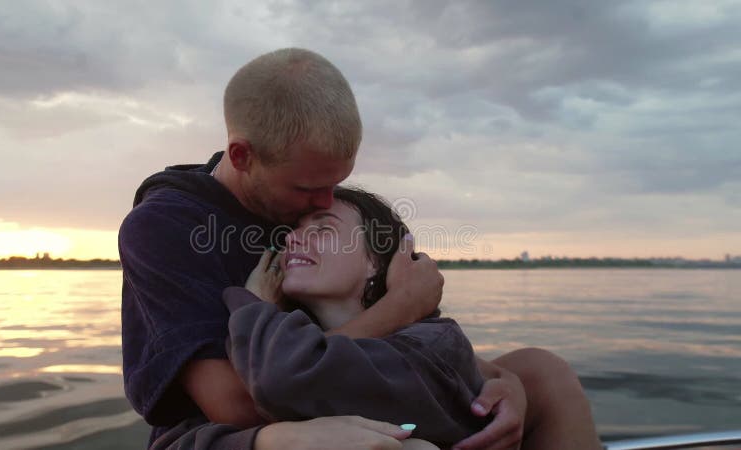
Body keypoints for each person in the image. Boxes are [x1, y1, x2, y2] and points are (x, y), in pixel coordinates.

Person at [120, 47, 600, 450]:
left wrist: (505, 385)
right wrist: (400, 306)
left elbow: (430, 349)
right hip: (242, 428)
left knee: (541, 373)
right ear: (243, 156)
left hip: (340, 377)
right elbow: (238, 405)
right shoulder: (166, 229)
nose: (324, 203)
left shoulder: (306, 210)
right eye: (308, 189)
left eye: (337, 185)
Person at [222, 186, 488, 449]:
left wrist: (253, 306)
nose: (292, 238)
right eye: (294, 229)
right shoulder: (291, 339)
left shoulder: (433, 344)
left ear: (376, 260)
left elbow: (283, 380)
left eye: (323, 229)